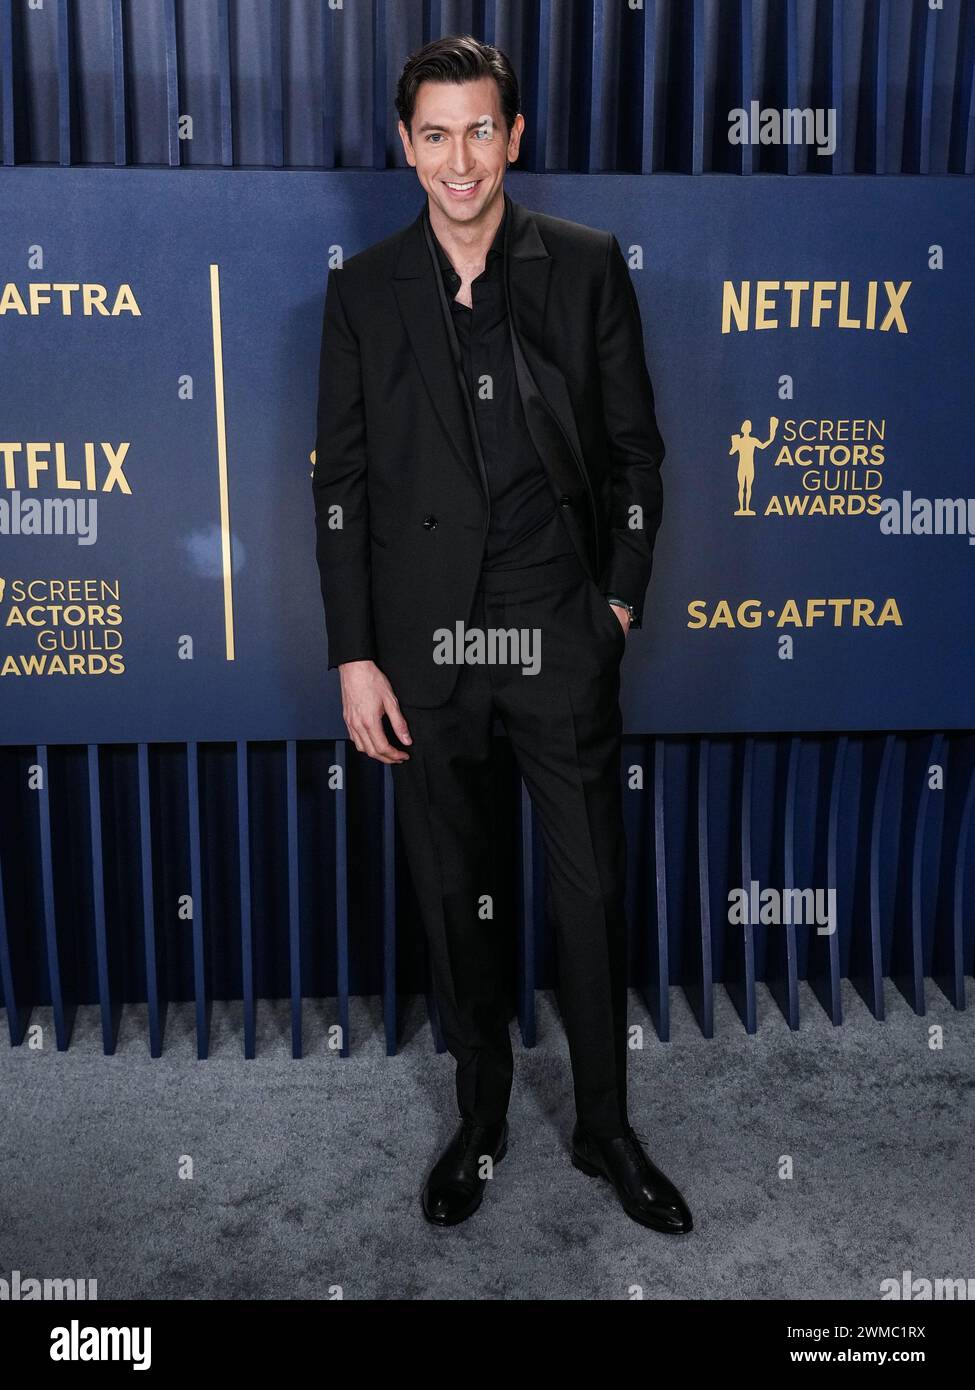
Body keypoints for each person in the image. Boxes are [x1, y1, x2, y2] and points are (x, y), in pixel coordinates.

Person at [312, 34, 692, 1235]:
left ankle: (604, 1126)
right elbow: (341, 486)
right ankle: (479, 1121)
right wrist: (354, 654)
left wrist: (616, 601)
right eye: (436, 134)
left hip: (556, 639)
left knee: (590, 899)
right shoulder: (362, 290)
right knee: (455, 893)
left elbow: (637, 452)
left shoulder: (583, 267)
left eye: (482, 130)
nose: (460, 158)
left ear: (513, 138)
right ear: (407, 145)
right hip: (427, 657)